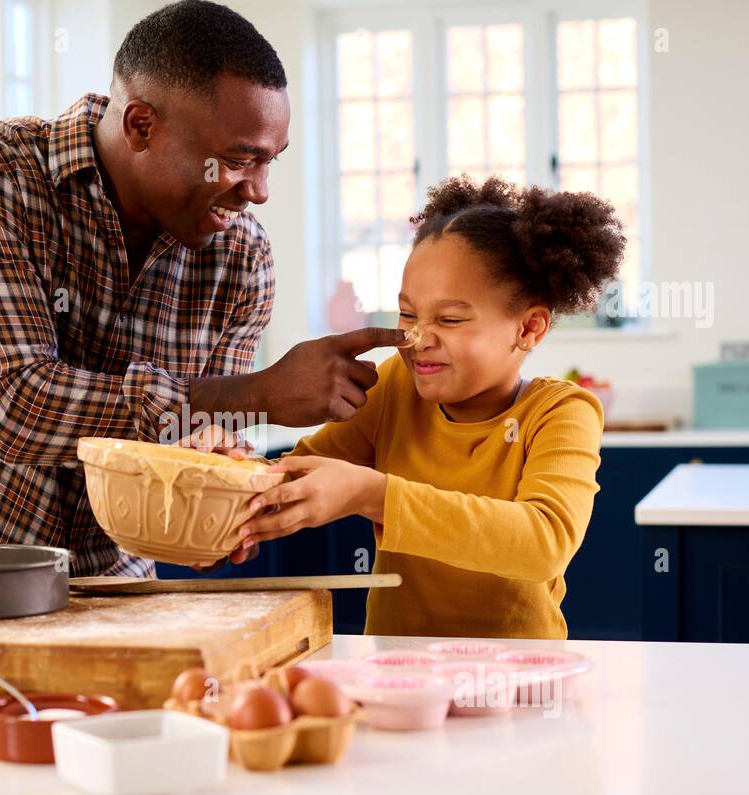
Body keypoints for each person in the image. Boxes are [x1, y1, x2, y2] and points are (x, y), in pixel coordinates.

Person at [0, 0, 402, 575]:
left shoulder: (242, 257)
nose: (259, 191)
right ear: (141, 126)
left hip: (120, 596)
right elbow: (15, 407)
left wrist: (222, 505)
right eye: (237, 160)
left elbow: (193, 450)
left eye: (269, 161)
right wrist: (258, 393)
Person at [236, 176, 627, 638]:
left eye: (450, 319)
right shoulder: (395, 389)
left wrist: (374, 495)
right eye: (407, 314)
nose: (417, 338)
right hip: (397, 670)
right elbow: (298, 473)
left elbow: (542, 543)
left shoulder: (561, 412)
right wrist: (231, 473)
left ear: (528, 329)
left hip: (518, 676)